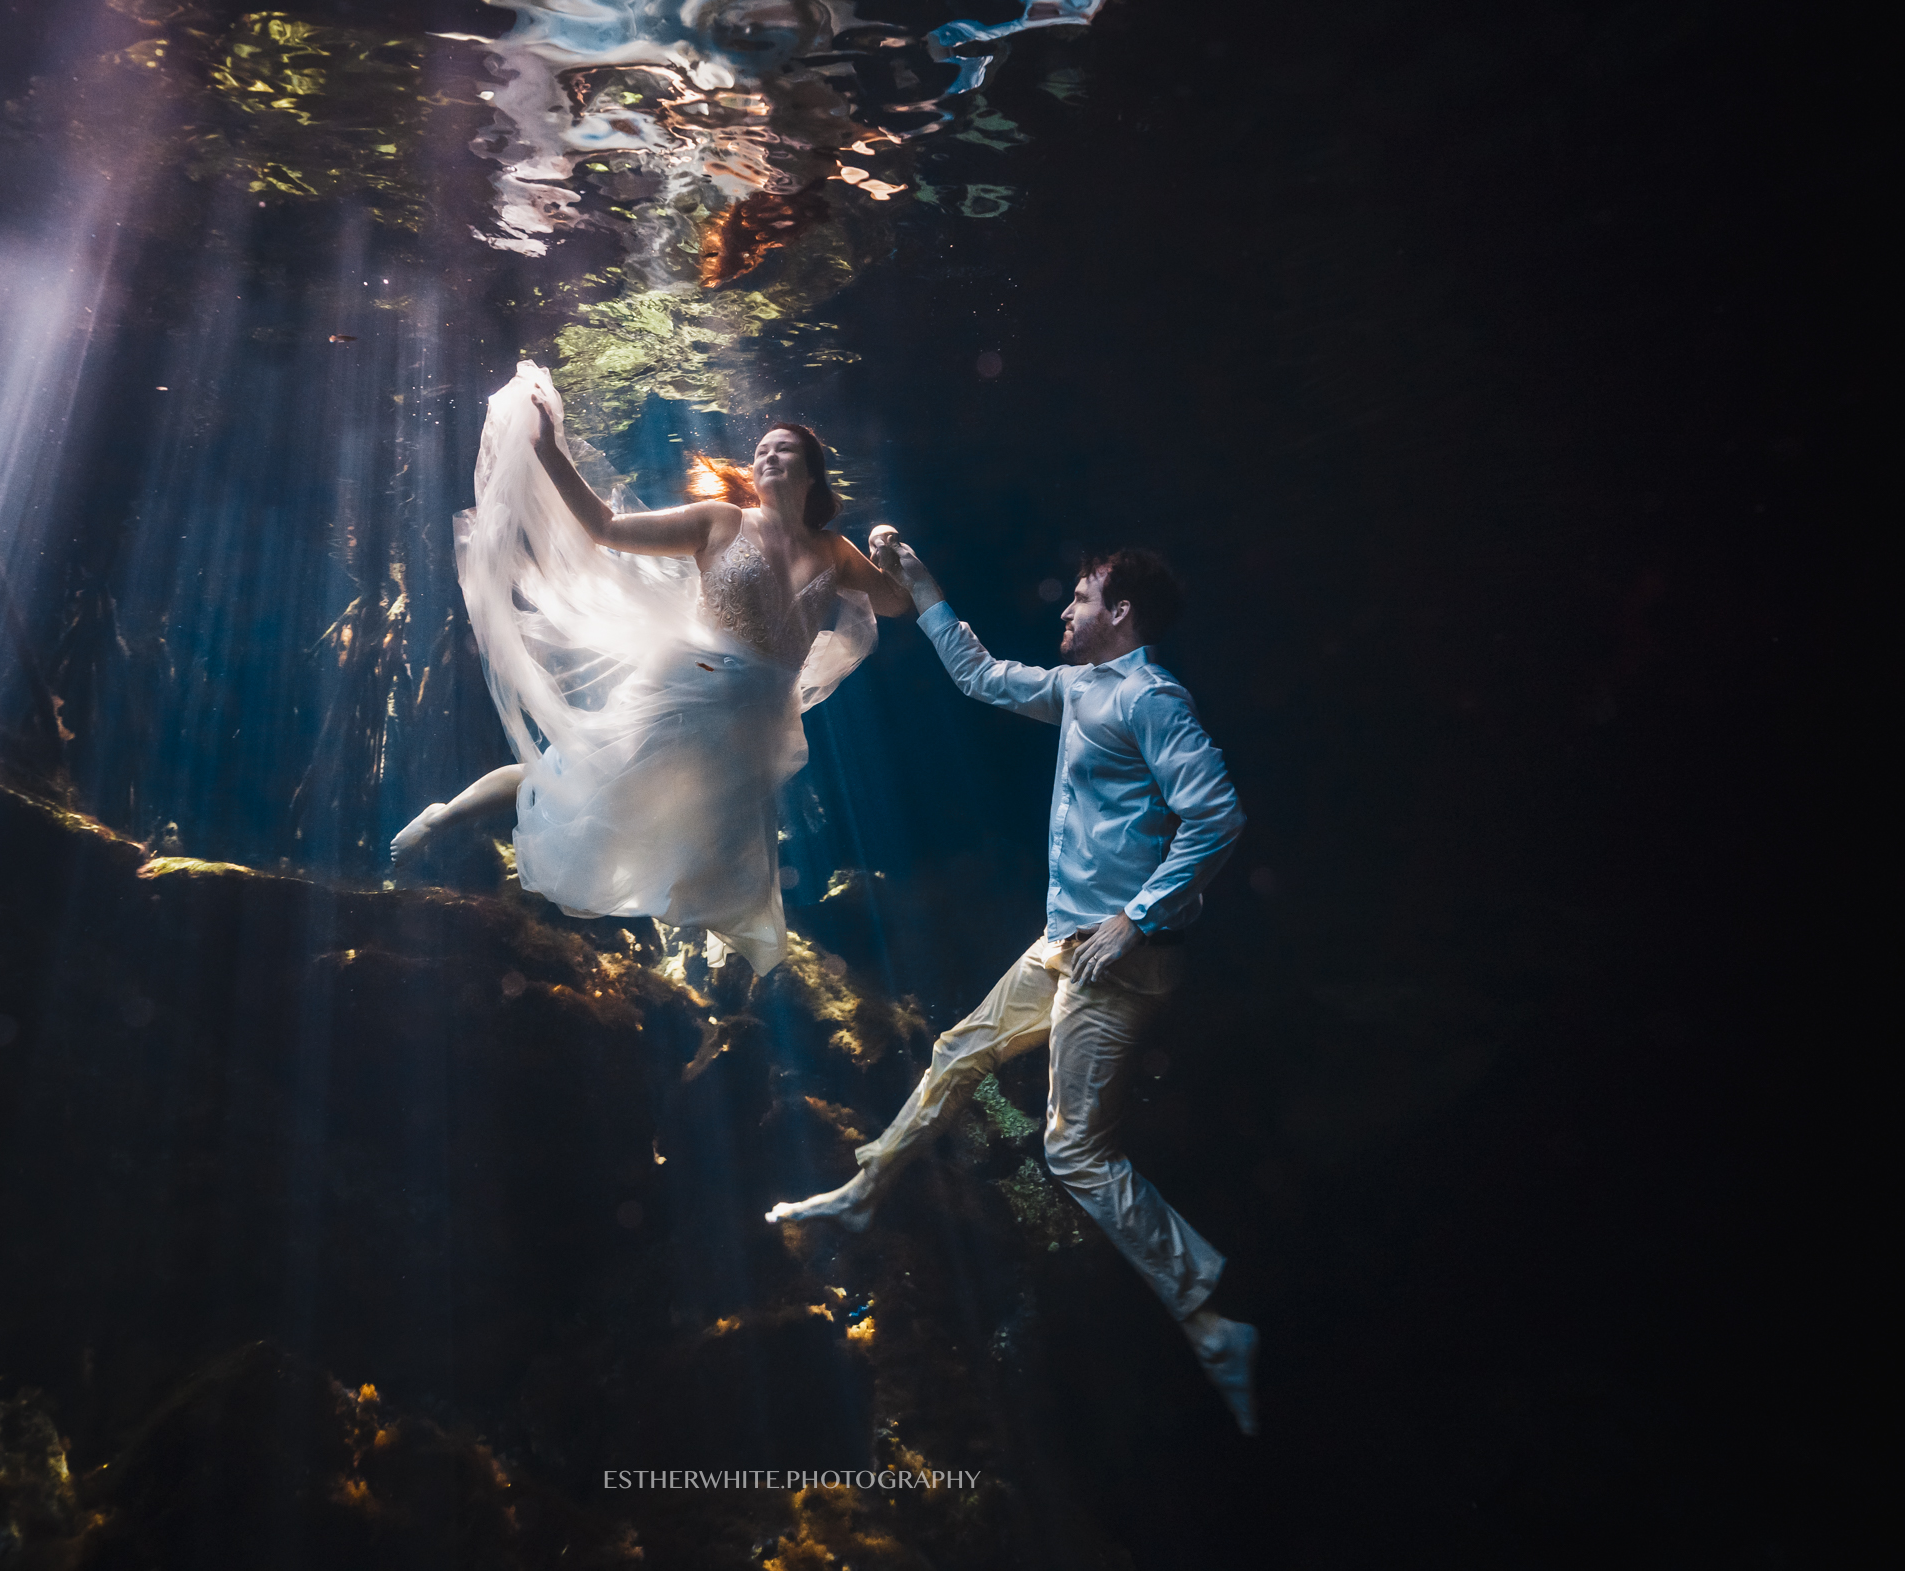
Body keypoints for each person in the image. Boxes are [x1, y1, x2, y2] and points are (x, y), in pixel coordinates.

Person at [765, 531, 1261, 1433]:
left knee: (1075, 1151)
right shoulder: (1080, 687)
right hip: (1061, 945)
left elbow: (1218, 815)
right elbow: (983, 676)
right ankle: (867, 1190)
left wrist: (1136, 915)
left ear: (1120, 615)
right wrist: (921, 585)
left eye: (1081, 597)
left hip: (1118, 961)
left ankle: (1209, 1320)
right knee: (957, 1051)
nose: (1066, 609)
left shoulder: (1152, 698)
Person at [391, 363, 910, 974]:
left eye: (785, 449)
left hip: (760, 716)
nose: (768, 456)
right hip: (689, 685)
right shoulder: (721, 521)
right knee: (574, 779)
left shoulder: (834, 552)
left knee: (718, 830)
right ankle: (443, 815)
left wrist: (888, 552)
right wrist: (551, 451)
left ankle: (715, 932)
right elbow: (605, 528)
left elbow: (895, 602)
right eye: (762, 448)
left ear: (813, 472)